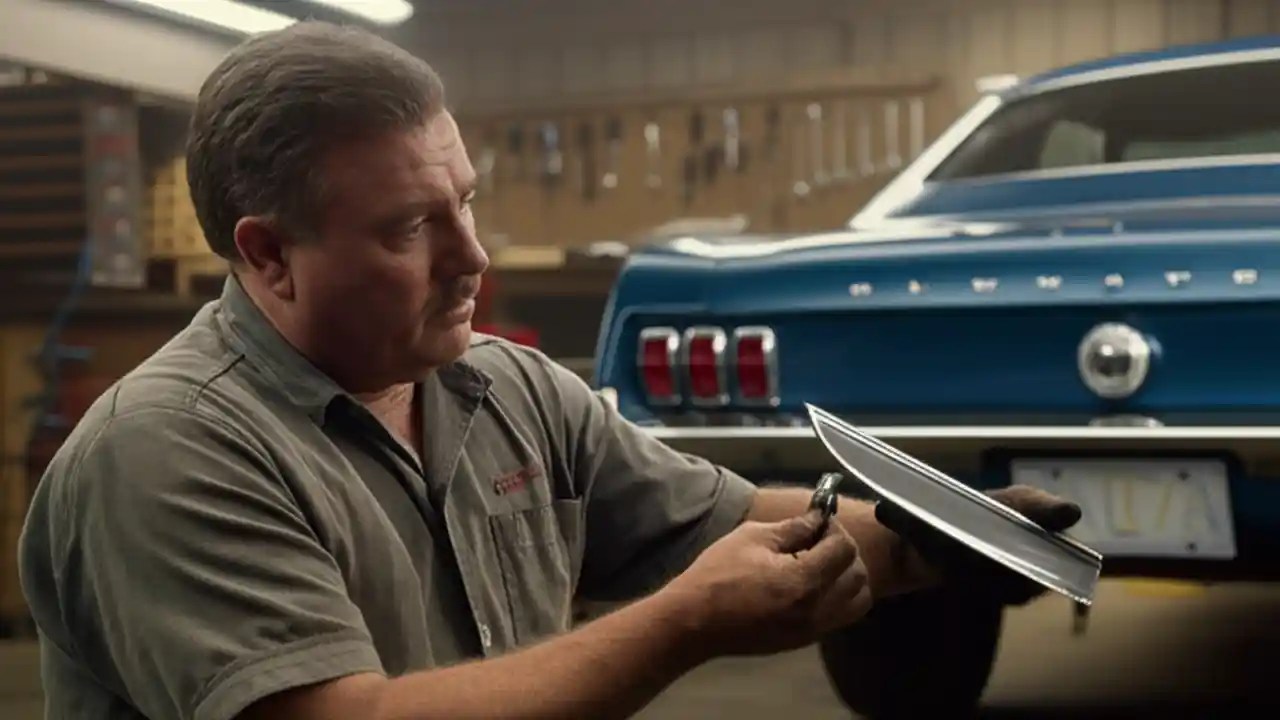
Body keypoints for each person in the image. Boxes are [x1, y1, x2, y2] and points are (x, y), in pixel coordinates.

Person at [17, 21, 1081, 720]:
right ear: (265, 255)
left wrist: (941, 540)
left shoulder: (504, 390)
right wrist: (682, 625)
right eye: (409, 229)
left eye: (465, 201)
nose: (471, 256)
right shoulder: (171, 451)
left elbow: (738, 531)